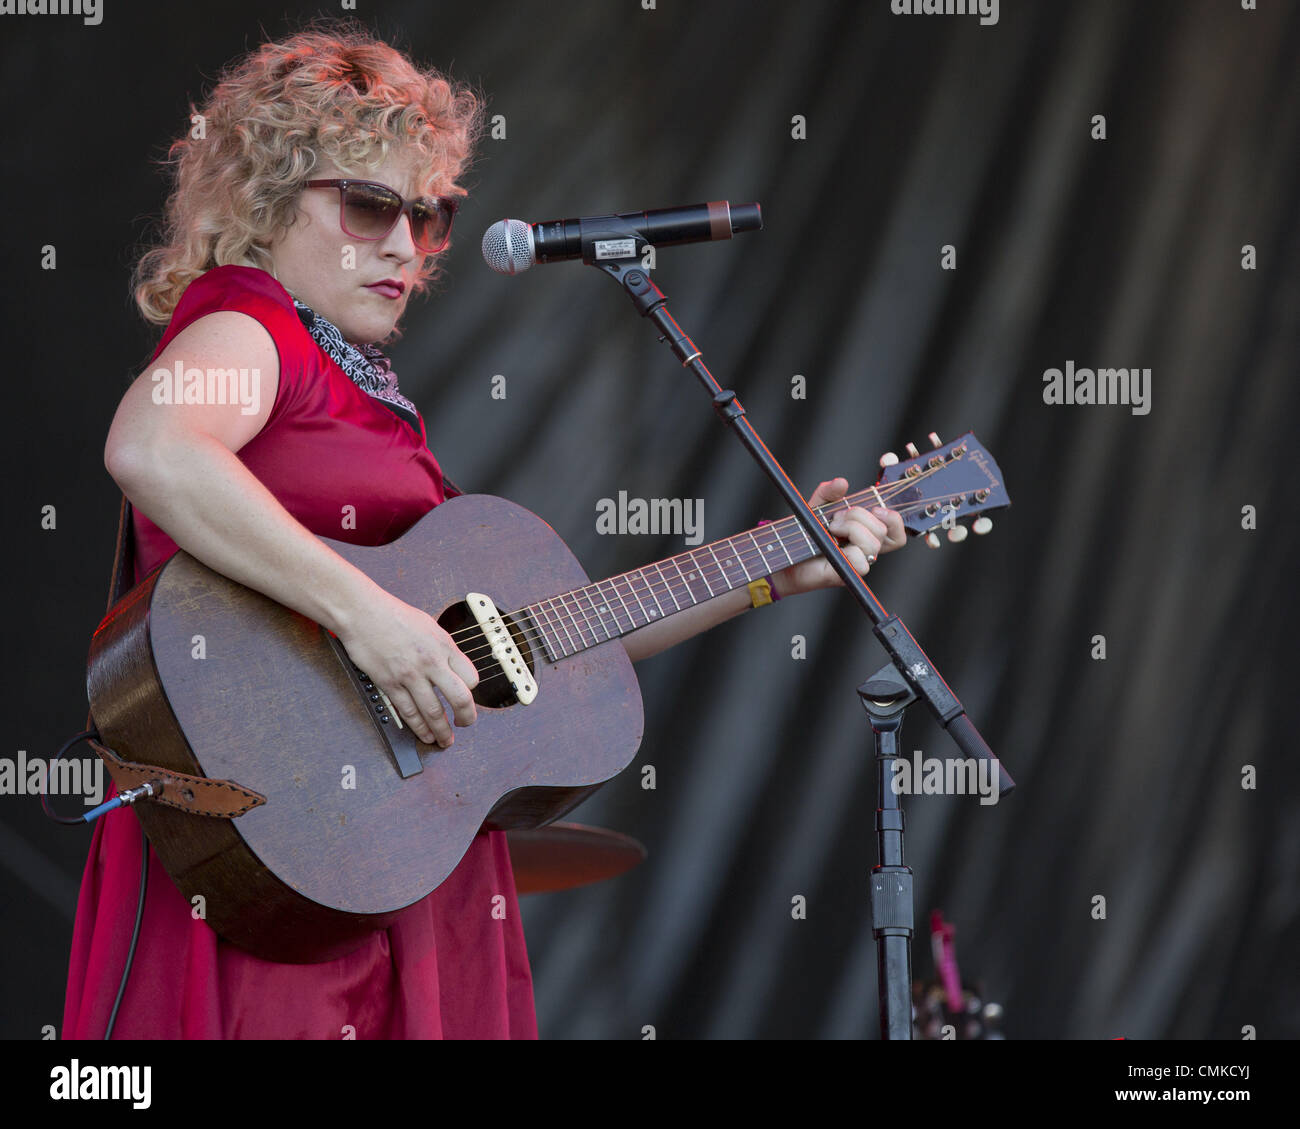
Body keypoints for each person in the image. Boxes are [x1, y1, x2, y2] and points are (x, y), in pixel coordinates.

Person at [63, 23, 907, 1039]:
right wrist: (374, 622)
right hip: (270, 860)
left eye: (431, 216)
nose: (404, 245)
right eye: (369, 204)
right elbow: (153, 448)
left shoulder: (360, 387)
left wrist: (779, 567)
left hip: (385, 862)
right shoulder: (250, 323)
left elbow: (548, 649)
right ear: (268, 198)